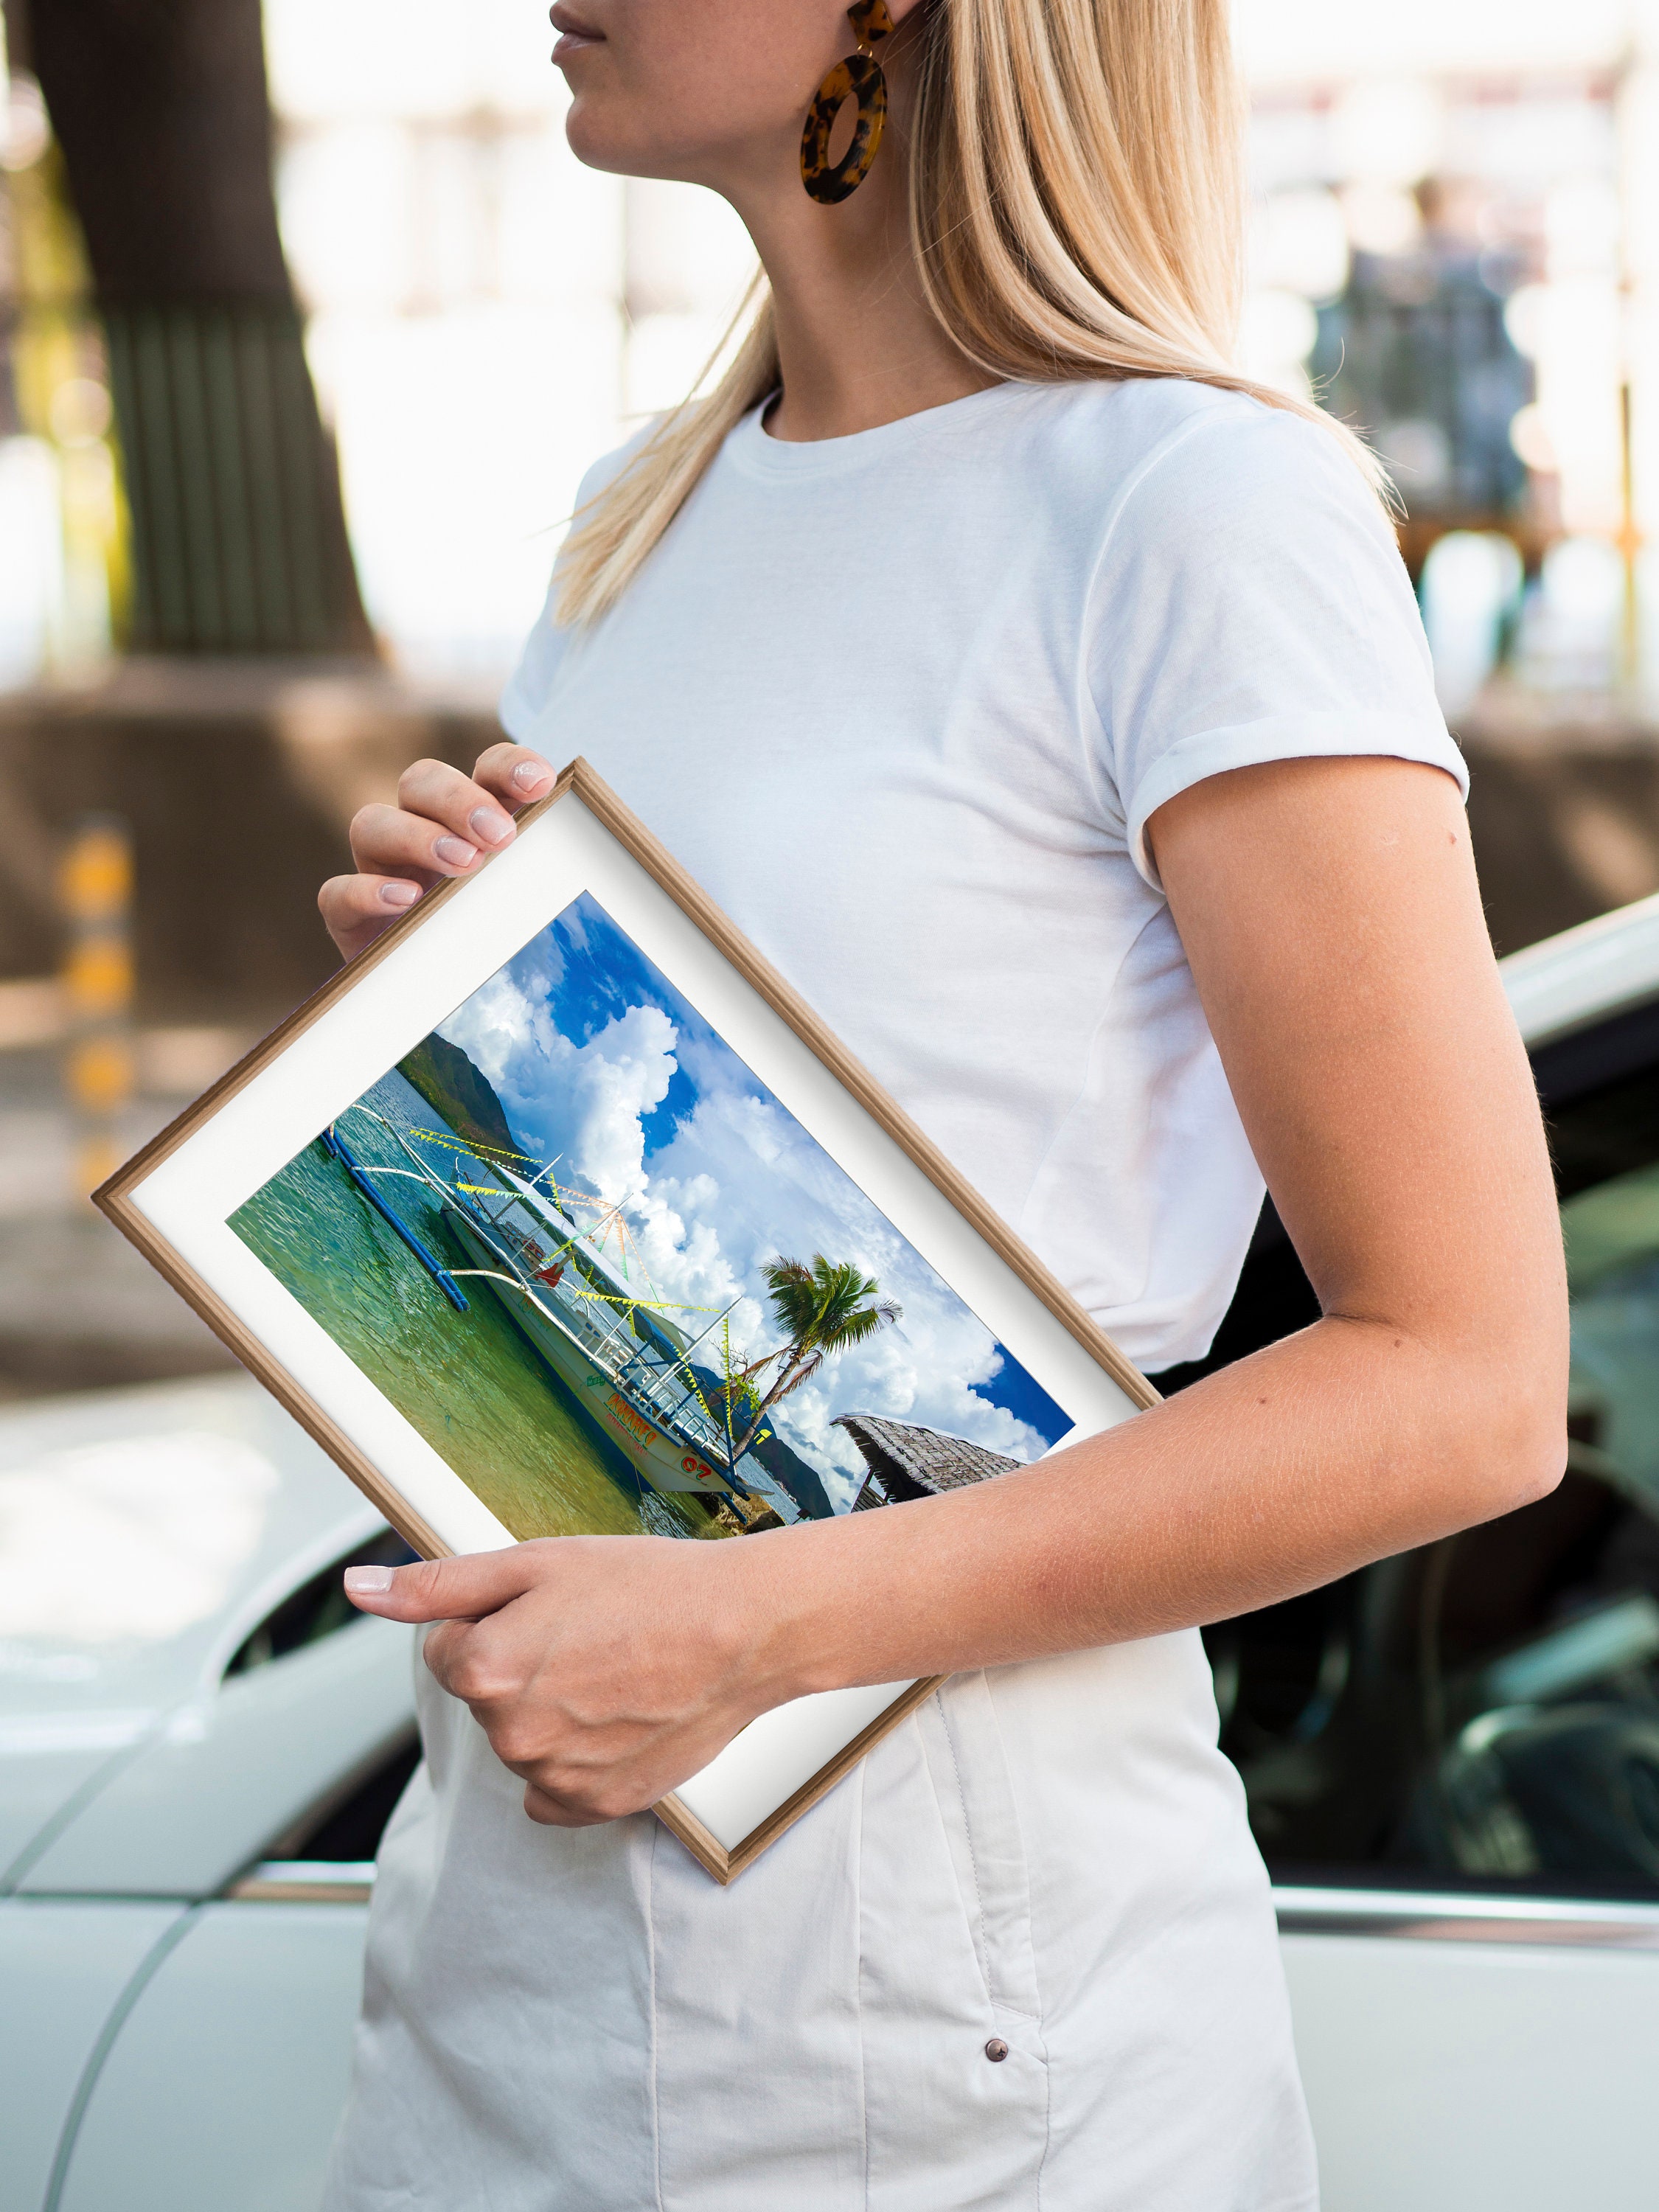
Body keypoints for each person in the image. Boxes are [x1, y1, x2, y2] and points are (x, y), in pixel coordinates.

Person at [317, 4, 1567, 2205]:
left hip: (947, 2000)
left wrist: (754, 1625)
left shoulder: (1198, 506)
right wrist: (469, 1001)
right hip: (502, 1951)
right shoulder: (645, 513)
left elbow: (1464, 1386)